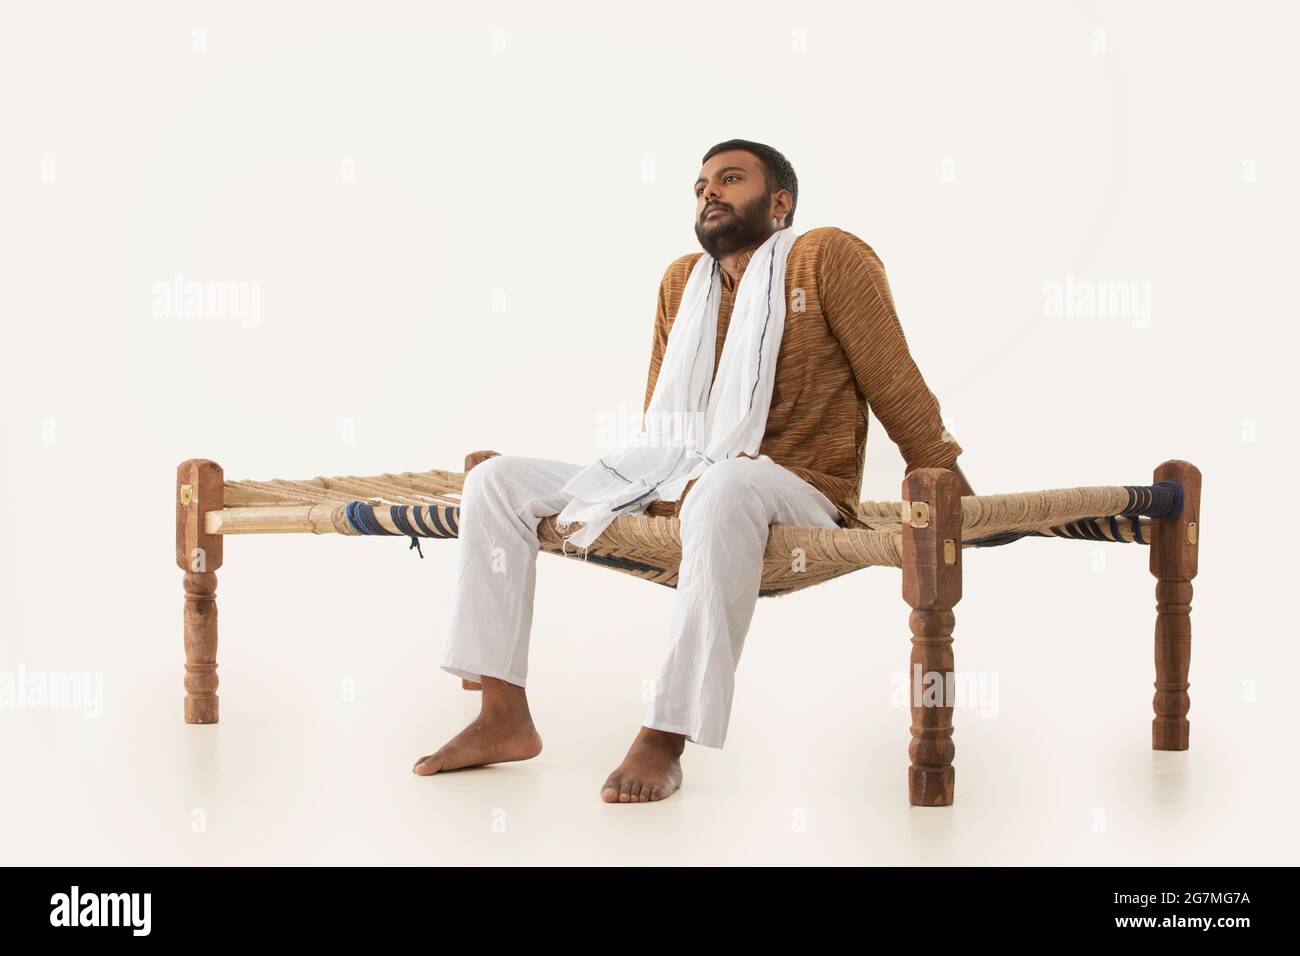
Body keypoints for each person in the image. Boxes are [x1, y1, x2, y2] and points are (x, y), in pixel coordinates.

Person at [413, 139, 974, 803]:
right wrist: (645, 489)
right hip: (684, 479)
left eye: (731, 179)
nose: (710, 192)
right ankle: (502, 716)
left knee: (725, 483)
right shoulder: (683, 282)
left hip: (799, 489)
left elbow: (893, 379)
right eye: (702, 185)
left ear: (780, 202)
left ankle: (665, 734)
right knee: (495, 481)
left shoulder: (826, 256)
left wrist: (944, 476)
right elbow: (660, 423)